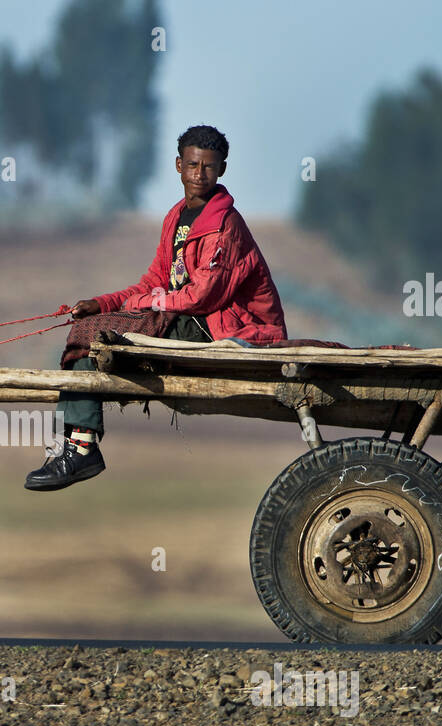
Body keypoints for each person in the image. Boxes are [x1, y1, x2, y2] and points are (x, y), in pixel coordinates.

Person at [25, 125, 289, 491]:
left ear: (222, 170)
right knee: (89, 330)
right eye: (193, 165)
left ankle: (79, 451)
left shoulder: (225, 225)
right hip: (193, 319)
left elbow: (203, 297)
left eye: (209, 167)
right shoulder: (175, 218)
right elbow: (152, 281)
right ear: (179, 165)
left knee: (93, 336)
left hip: (226, 329)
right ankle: (76, 448)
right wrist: (102, 303)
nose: (200, 174)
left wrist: (144, 303)